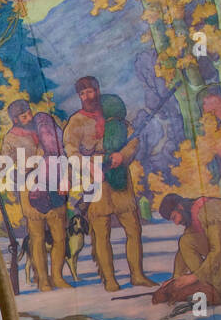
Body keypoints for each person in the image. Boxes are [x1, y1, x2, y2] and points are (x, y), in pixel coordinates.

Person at [62, 75, 156, 292]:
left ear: (98, 90)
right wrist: (89, 167)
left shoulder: (115, 115)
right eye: (82, 93)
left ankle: (138, 275)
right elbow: (71, 151)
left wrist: (122, 156)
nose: (87, 96)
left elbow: (133, 140)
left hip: (120, 178)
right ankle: (110, 280)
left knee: (133, 229)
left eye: (90, 91)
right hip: (95, 181)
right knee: (101, 233)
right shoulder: (75, 122)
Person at [1, 99, 70, 291]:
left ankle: (57, 276)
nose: (29, 117)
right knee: (37, 237)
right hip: (29, 187)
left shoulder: (44, 127)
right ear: (15, 119)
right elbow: (1, 161)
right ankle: (43, 279)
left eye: (29, 113)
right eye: (24, 116)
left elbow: (61, 153)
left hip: (53, 184)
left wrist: (66, 178)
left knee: (60, 235)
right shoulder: (11, 139)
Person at [153, 193, 221, 304]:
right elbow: (184, 247)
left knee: (216, 285)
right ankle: (204, 283)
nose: (176, 223)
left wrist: (194, 277)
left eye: (174, 217)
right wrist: (176, 278)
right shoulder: (193, 214)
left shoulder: (208, 211)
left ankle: (210, 285)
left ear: (180, 207)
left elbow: (218, 250)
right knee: (185, 240)